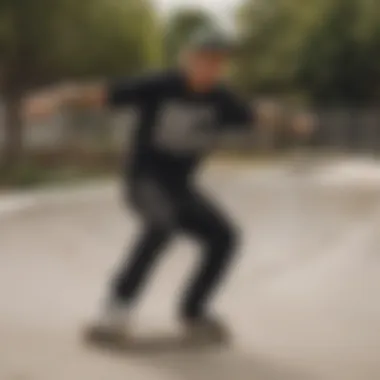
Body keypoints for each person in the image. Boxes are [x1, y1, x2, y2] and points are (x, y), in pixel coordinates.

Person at [60, 30, 312, 342]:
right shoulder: (159, 85)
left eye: (219, 63)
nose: (212, 69)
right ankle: (115, 311)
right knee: (161, 225)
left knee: (225, 238)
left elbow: (257, 113)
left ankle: (193, 312)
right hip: (144, 180)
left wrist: (291, 120)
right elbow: (103, 94)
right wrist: (57, 99)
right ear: (188, 60)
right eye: (206, 61)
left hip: (180, 188)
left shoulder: (221, 99)